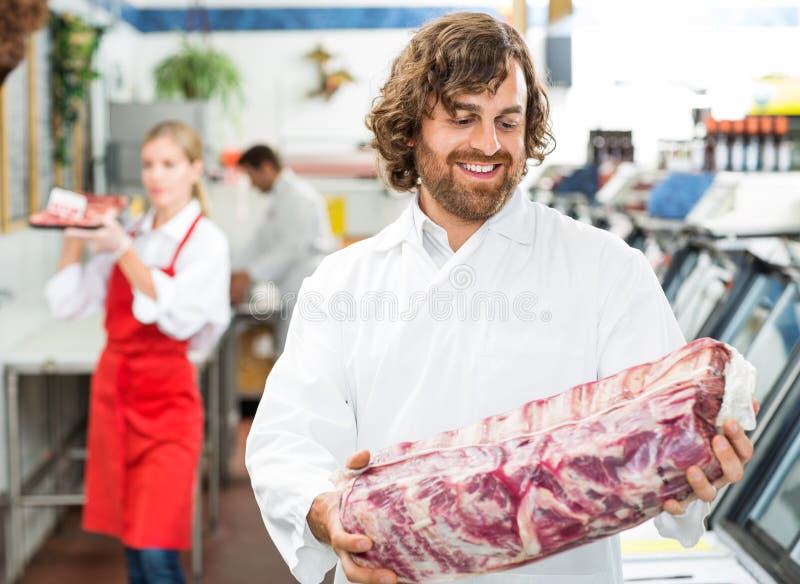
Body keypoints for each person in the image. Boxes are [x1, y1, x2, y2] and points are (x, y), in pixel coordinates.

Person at [245, 12, 754, 584]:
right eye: (463, 118)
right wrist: (324, 511)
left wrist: (698, 474)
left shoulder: (609, 270)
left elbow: (668, 460)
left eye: (506, 121)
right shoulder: (343, 283)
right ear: (412, 129)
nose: (488, 143)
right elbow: (287, 442)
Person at [45, 121, 230, 584]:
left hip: (166, 406)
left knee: (154, 549)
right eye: (148, 165)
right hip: (115, 398)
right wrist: (74, 233)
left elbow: (177, 316)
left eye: (168, 164)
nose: (155, 176)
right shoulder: (130, 230)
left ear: (194, 169)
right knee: (131, 539)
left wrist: (124, 250)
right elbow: (69, 303)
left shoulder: (205, 242)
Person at [230, 144, 336, 349]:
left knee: (302, 350)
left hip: (308, 281)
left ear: (267, 168)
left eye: (251, 175)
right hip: (294, 284)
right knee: (292, 349)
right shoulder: (281, 199)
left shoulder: (298, 196)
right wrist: (236, 270)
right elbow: (260, 242)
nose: (251, 184)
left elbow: (293, 247)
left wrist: (249, 274)